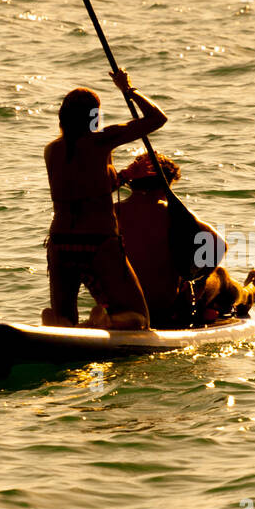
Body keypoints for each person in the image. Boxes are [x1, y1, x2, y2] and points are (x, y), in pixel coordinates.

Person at [41, 69, 163, 330]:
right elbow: (156, 118)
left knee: (65, 322)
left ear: (63, 117)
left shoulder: (52, 150)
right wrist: (128, 89)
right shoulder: (101, 141)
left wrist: (126, 175)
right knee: (139, 318)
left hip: (60, 242)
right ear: (94, 117)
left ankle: (54, 320)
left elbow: (85, 189)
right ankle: (106, 319)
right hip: (98, 241)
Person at [113, 152, 255, 327]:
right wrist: (196, 282)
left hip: (122, 308)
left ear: (132, 183)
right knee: (221, 276)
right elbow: (219, 246)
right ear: (166, 186)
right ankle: (247, 295)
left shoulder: (112, 213)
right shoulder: (171, 214)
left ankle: (214, 304)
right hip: (166, 310)